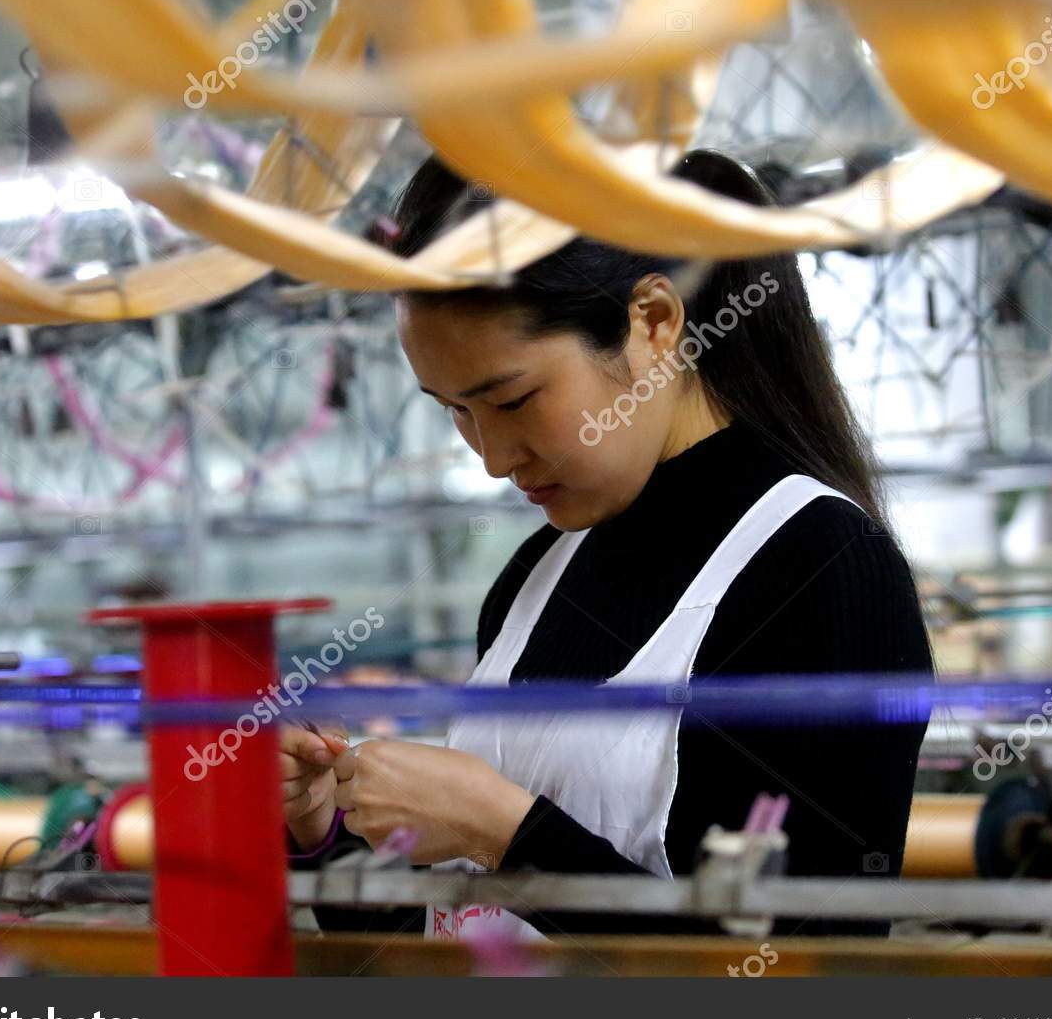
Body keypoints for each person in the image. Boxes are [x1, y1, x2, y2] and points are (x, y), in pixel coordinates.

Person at [280, 149, 932, 939]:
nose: (491, 456)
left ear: (653, 323)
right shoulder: (537, 575)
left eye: (512, 398)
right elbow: (442, 938)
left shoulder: (820, 567)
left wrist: (505, 832)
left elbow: (800, 964)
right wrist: (323, 826)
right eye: (455, 410)